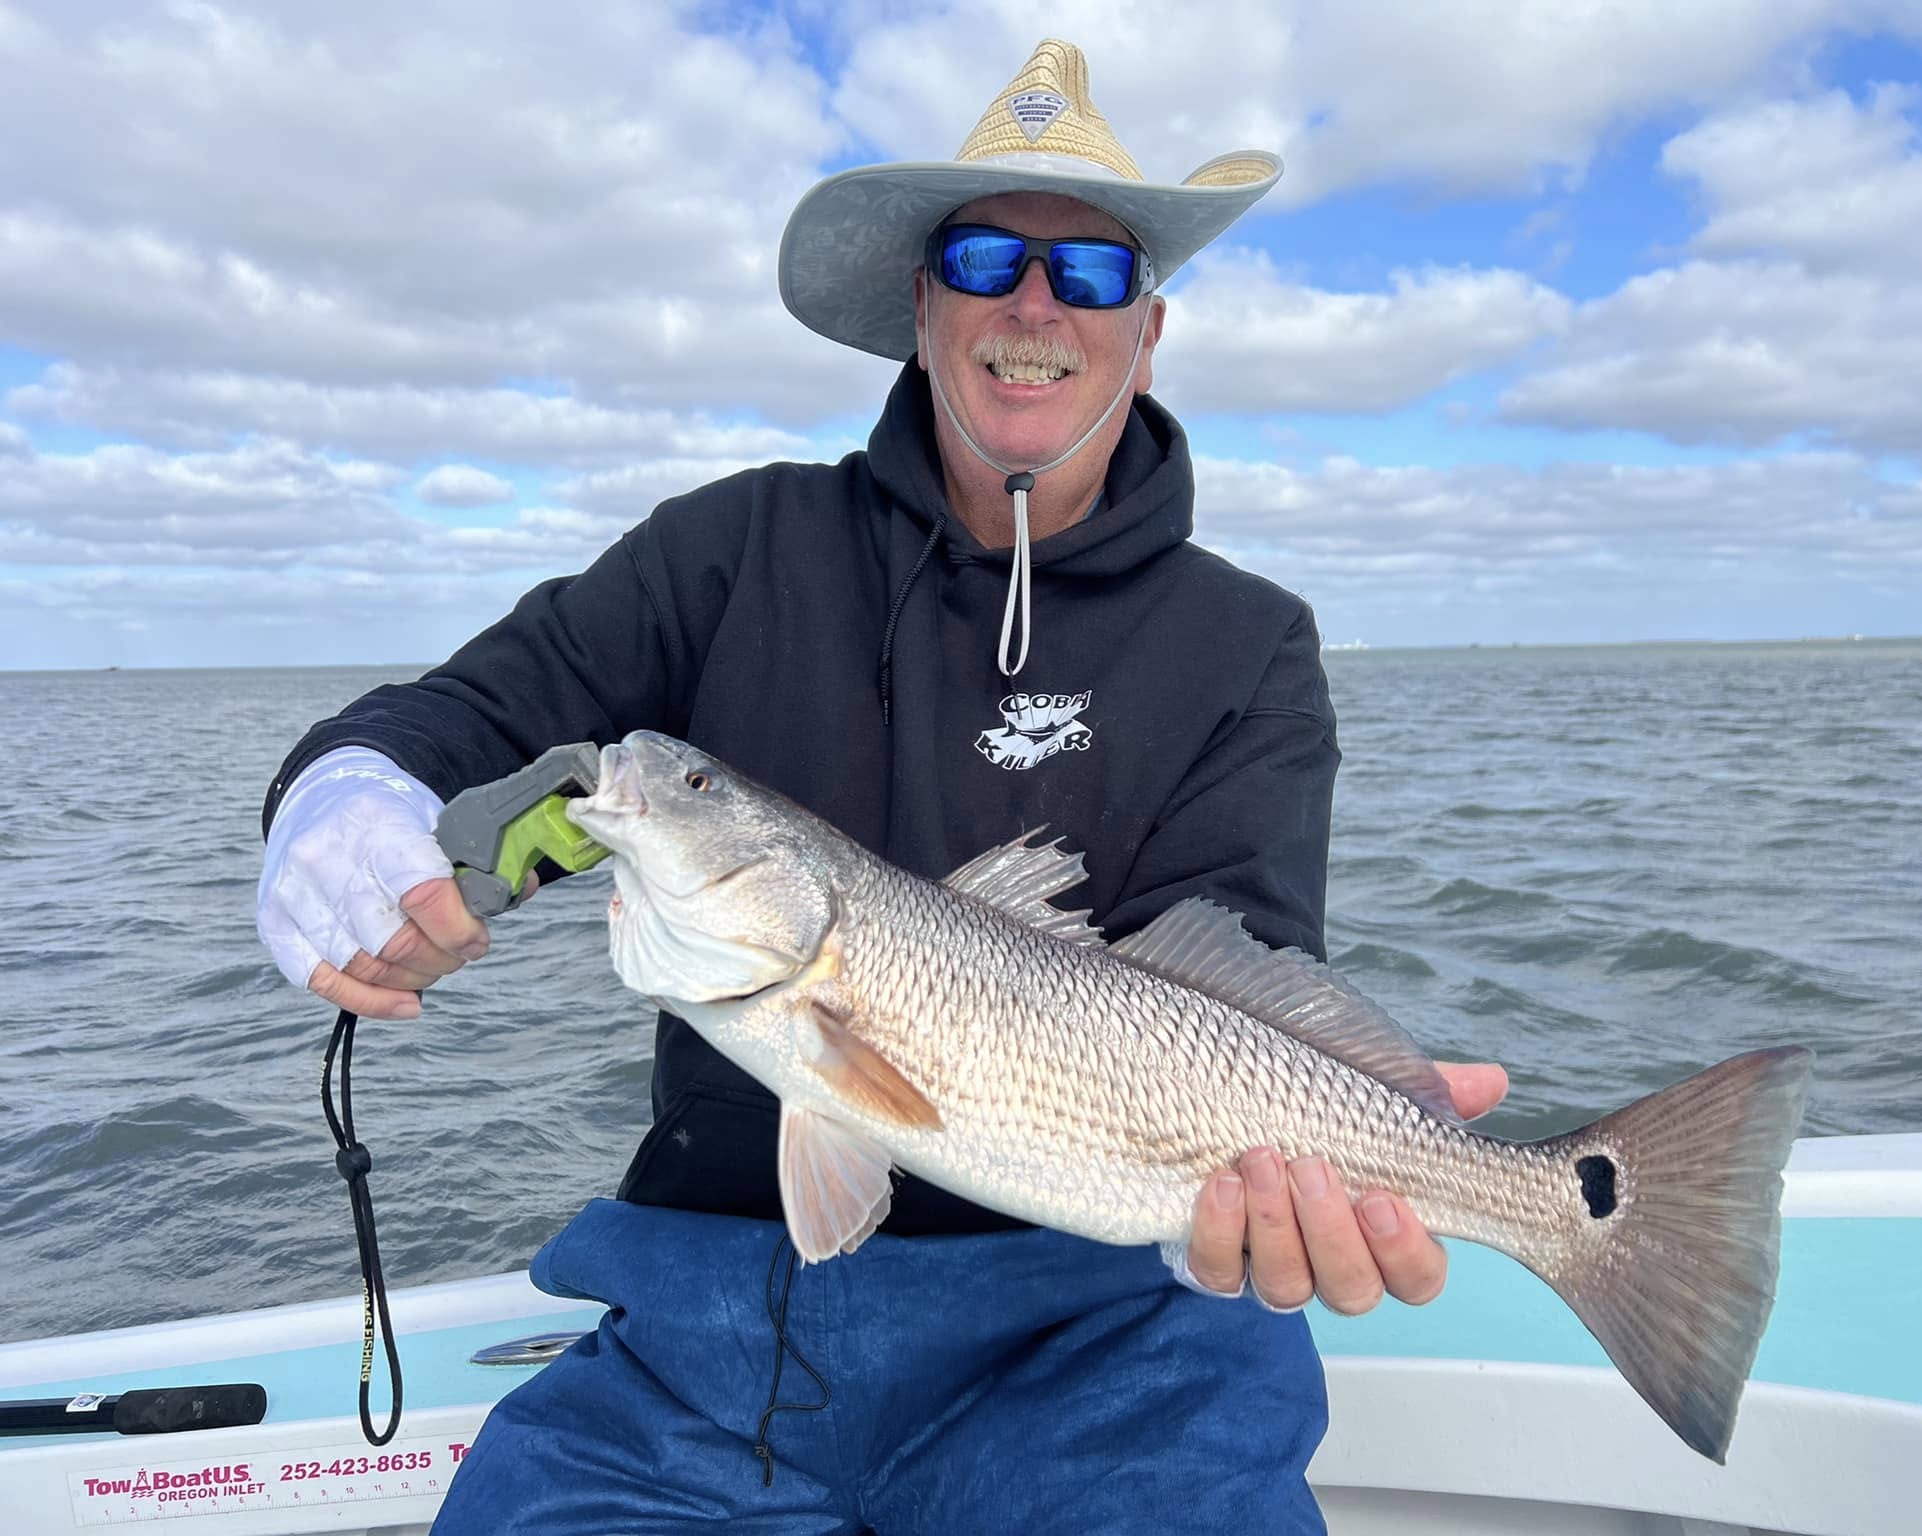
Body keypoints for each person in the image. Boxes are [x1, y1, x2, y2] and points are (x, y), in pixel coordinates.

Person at [257, 38, 1506, 1532]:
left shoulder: (1247, 643)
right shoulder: (730, 551)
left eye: (1089, 275)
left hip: (1112, 1323)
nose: (1034, 305)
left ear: (1149, 331)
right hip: (708, 1335)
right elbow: (468, 711)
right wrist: (348, 794)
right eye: (985, 257)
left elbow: (1230, 964)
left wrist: (1289, 1189)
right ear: (922, 309)